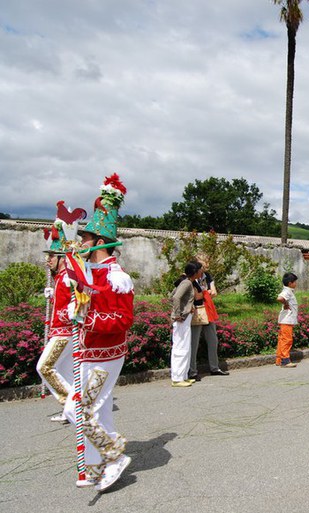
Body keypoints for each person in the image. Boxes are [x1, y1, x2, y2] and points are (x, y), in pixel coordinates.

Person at [63, 174, 134, 491]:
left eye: (87, 237)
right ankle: (95, 468)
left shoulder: (118, 277)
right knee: (96, 410)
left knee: (84, 409)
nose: (82, 242)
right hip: (88, 352)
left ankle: (114, 456)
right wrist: (73, 310)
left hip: (107, 355)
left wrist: (86, 318)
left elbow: (122, 319)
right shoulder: (89, 273)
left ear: (99, 241)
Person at [37, 201, 84, 423]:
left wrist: (69, 311)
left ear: (61, 258)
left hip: (64, 332)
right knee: (65, 373)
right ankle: (72, 408)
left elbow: (81, 302)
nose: (48, 260)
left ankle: (72, 405)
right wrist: (52, 295)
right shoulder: (58, 278)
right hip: (59, 329)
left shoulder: (68, 276)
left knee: (44, 367)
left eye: (52, 257)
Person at [188, 257, 228, 380]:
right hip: (197, 311)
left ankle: (214, 368)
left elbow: (214, 292)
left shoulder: (207, 276)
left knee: (213, 339)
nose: (205, 267)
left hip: (208, 310)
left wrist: (205, 292)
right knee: (194, 342)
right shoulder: (190, 277)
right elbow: (196, 295)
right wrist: (206, 292)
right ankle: (192, 371)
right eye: (203, 265)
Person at [170, 261, 201, 387]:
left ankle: (183, 376)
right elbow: (175, 297)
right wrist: (178, 314)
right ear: (195, 272)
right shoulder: (187, 283)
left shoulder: (188, 282)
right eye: (200, 270)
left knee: (185, 347)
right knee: (180, 347)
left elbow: (174, 295)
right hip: (181, 320)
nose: (201, 272)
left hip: (185, 318)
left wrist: (189, 306)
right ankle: (177, 378)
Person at [276, 272, 299, 366]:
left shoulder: (289, 291)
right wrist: (285, 304)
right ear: (290, 283)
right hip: (287, 320)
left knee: (282, 340)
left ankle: (279, 360)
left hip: (285, 320)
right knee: (287, 340)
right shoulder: (287, 291)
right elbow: (280, 298)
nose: (296, 284)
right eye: (295, 282)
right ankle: (285, 361)